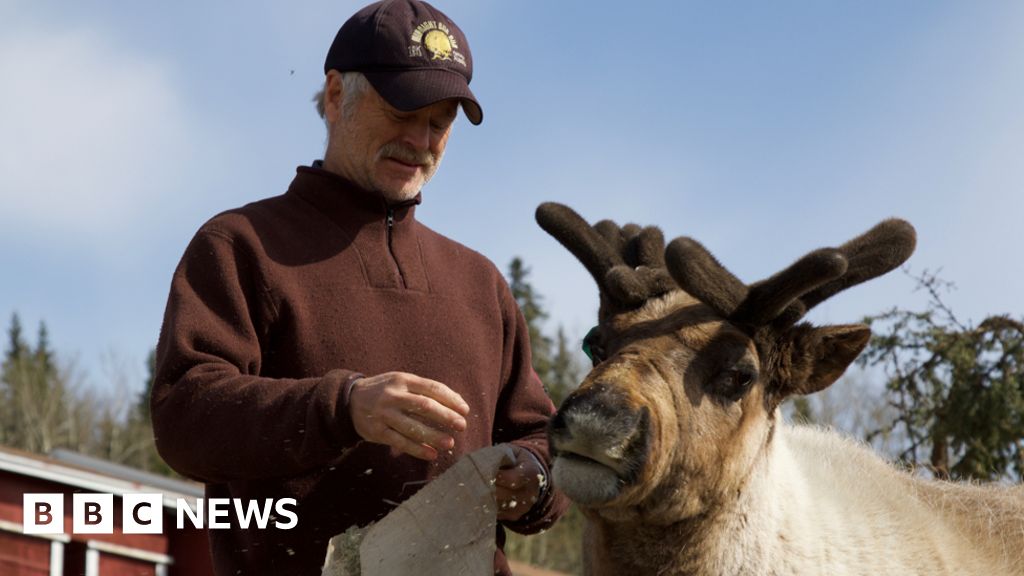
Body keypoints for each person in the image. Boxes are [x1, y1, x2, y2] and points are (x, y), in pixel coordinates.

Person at [150, 1, 567, 574]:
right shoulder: (241, 244)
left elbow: (542, 436)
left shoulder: (481, 284)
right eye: (402, 109)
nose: (421, 139)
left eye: (441, 121)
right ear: (335, 94)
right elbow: (184, 419)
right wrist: (343, 407)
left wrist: (534, 479)